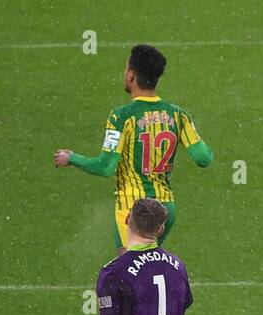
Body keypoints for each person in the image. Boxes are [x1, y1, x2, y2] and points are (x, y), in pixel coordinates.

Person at [53, 43, 213, 254]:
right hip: (165, 208)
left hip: (133, 209)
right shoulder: (178, 115)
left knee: (131, 274)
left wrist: (72, 158)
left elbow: (105, 166)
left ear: (131, 75)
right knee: (146, 267)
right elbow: (204, 158)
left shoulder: (121, 116)